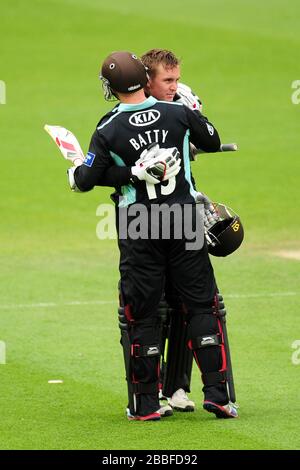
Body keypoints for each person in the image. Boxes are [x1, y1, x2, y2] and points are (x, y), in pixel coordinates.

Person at [67, 51, 238, 421]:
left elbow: (86, 180)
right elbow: (211, 141)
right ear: (145, 79)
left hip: (140, 226)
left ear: (110, 87)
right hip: (183, 219)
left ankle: (145, 404)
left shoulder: (108, 128)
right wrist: (193, 112)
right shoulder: (177, 112)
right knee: (201, 305)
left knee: (142, 315)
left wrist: (78, 171)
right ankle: (219, 396)